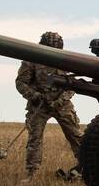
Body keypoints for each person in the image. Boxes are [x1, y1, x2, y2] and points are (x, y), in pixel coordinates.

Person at [16, 31, 83, 178]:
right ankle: (31, 174)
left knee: (76, 136)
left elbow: (73, 85)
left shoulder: (67, 60)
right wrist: (35, 96)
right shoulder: (31, 59)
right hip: (39, 106)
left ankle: (86, 168)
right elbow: (21, 83)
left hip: (62, 105)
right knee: (34, 140)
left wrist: (60, 101)